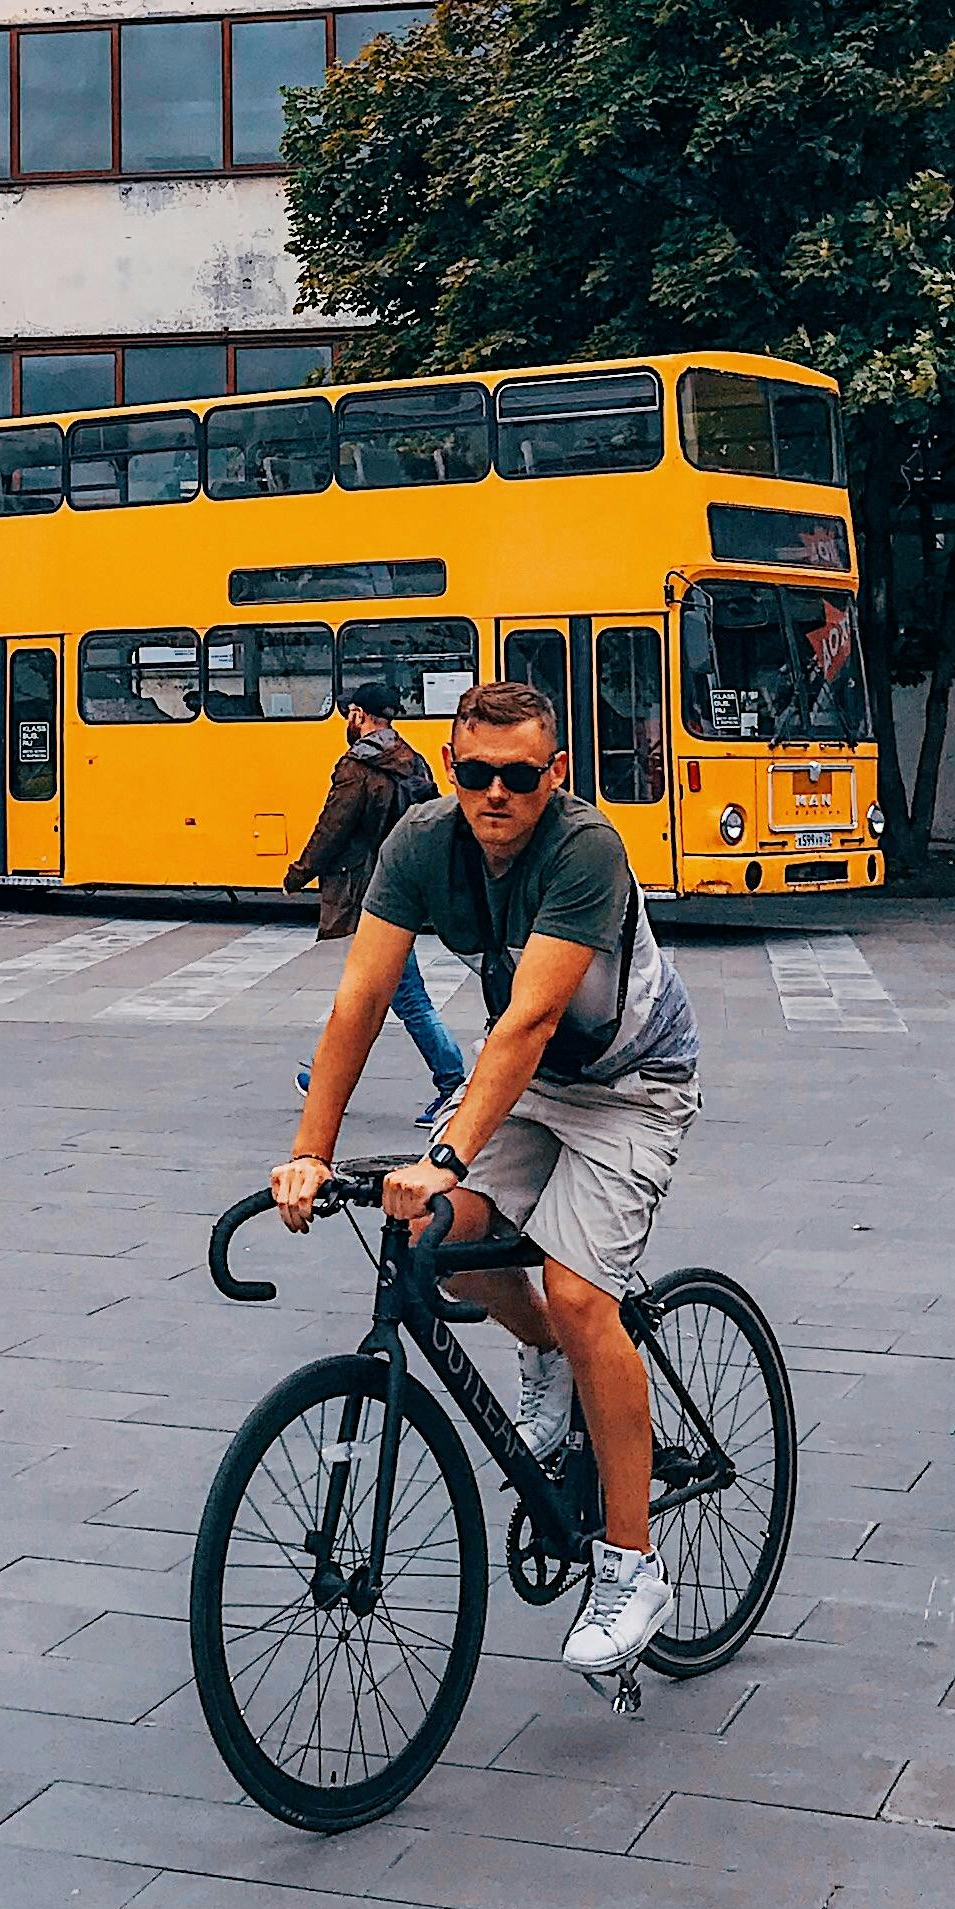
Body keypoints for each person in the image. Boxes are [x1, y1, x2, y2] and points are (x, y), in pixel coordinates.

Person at [272, 677, 700, 1696]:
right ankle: (545, 1353)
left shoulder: (584, 848)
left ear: (555, 775)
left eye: (518, 776)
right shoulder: (424, 840)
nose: (495, 794)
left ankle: (632, 1568)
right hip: (526, 1083)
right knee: (437, 1245)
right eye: (475, 774)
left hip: (632, 1085)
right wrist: (310, 1150)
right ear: (453, 769)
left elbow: (528, 1023)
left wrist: (447, 1153)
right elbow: (362, 995)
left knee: (581, 1289)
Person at [283, 683, 464, 1130]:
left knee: (408, 997)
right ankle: (321, 1073)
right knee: (362, 989)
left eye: (349, 714)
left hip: (370, 892)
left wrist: (299, 872)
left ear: (359, 715)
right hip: (405, 887)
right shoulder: (412, 759)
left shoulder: (356, 766)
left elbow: (333, 828)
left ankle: (453, 1084)